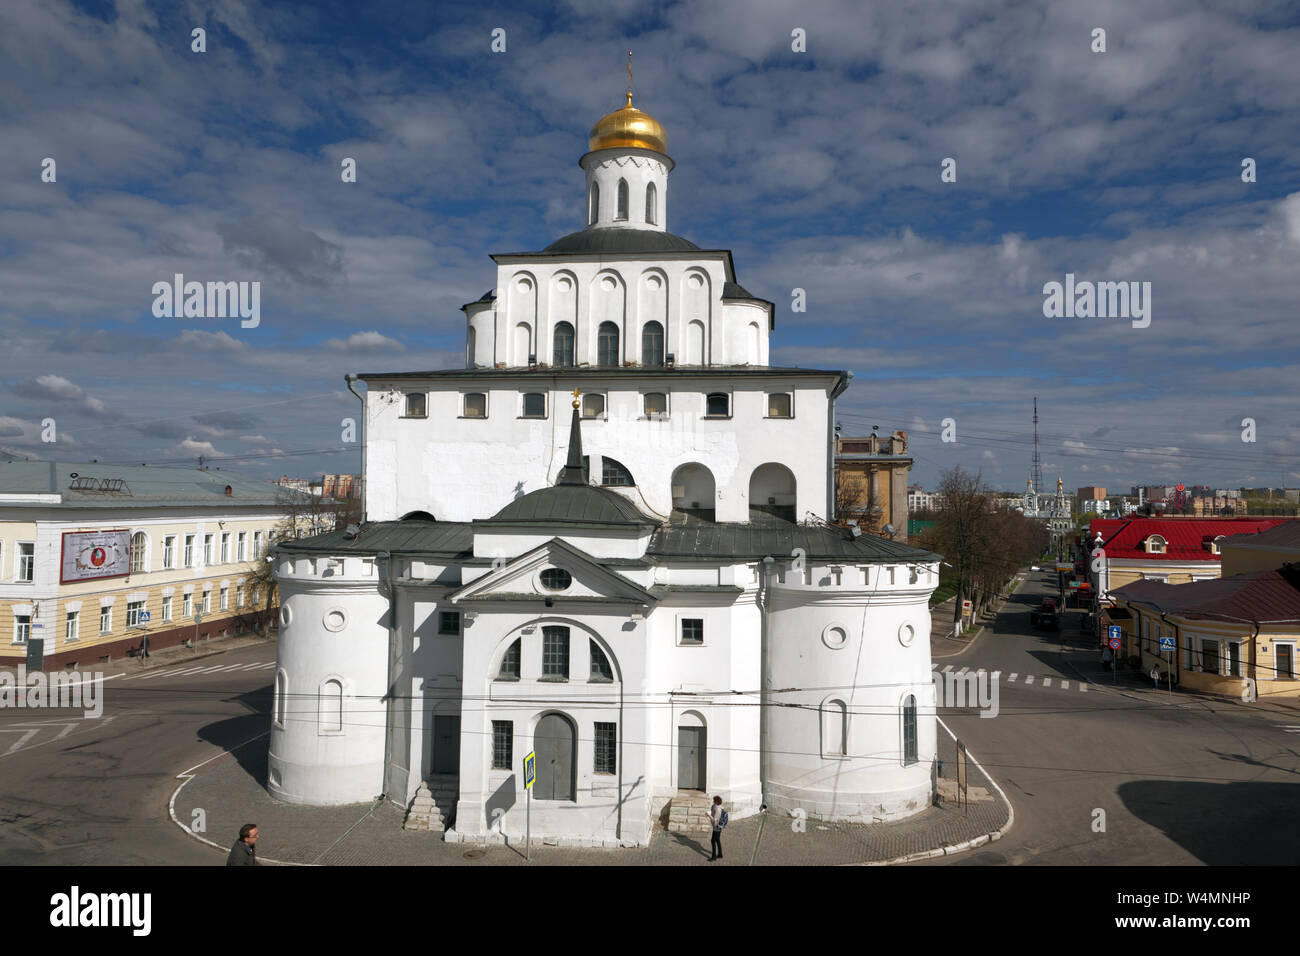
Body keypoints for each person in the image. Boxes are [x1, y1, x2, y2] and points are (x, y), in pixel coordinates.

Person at [707, 796, 725, 861]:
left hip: (717, 826)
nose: (713, 801)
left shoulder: (718, 809)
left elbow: (715, 820)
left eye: (714, 801)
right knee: (717, 840)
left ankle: (714, 857)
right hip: (719, 826)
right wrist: (712, 807)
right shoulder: (719, 807)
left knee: (713, 841)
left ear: (716, 802)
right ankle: (720, 854)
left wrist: (709, 815)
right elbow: (713, 810)